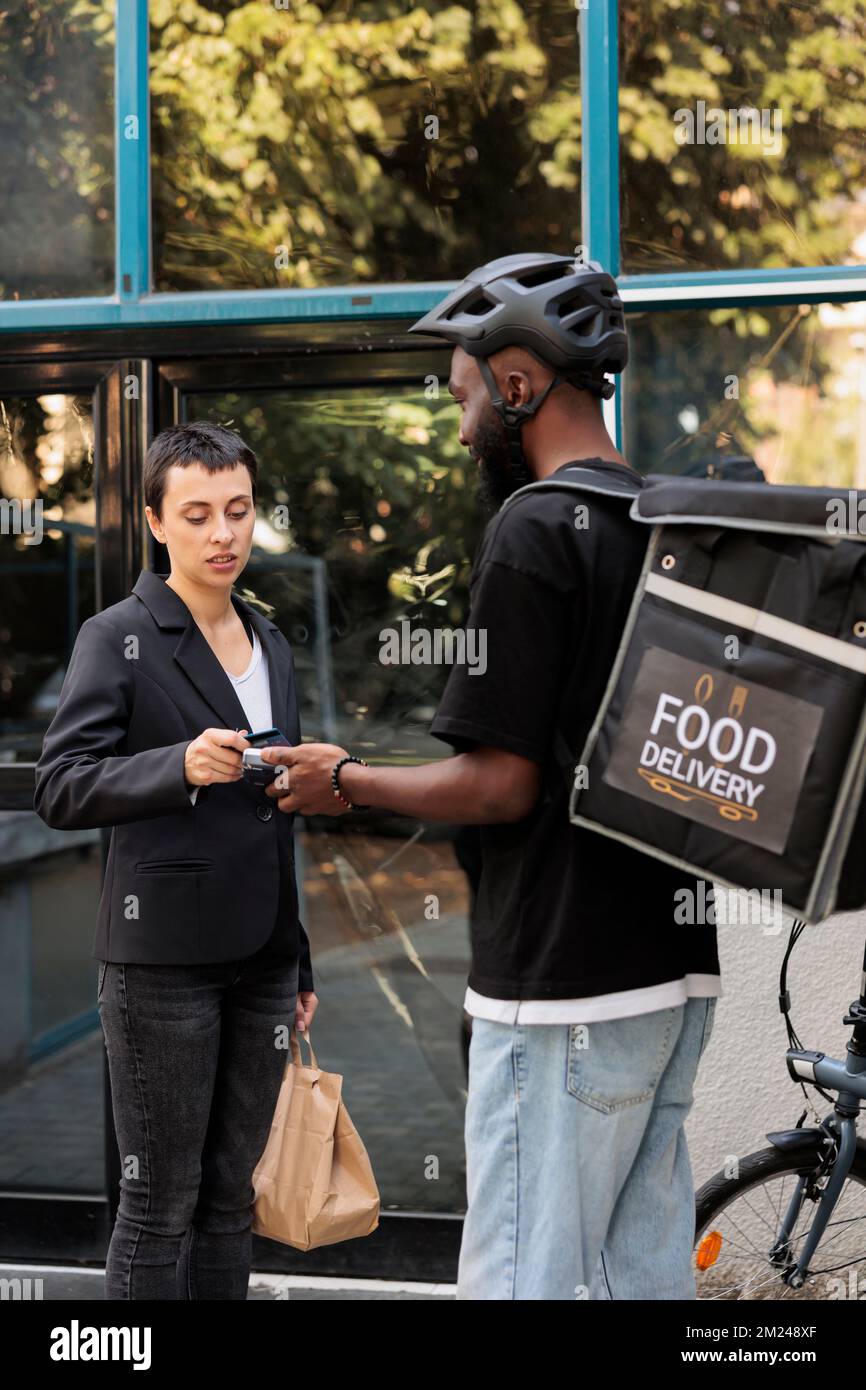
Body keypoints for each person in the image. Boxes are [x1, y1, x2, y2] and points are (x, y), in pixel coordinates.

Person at [259, 253, 721, 1300]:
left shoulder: (529, 529)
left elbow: (499, 784)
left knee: (525, 1281)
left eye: (469, 397)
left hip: (559, 989)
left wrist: (349, 779)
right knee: (637, 1277)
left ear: (518, 386)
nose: (464, 423)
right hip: (672, 975)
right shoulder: (658, 520)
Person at [33, 421, 317, 1300]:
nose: (223, 533)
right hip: (160, 964)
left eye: (237, 511)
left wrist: (297, 954)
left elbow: (278, 817)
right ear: (157, 522)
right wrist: (177, 767)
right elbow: (61, 786)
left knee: (231, 1198)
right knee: (159, 1201)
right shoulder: (117, 634)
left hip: (264, 959)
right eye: (197, 515)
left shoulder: (270, 643)